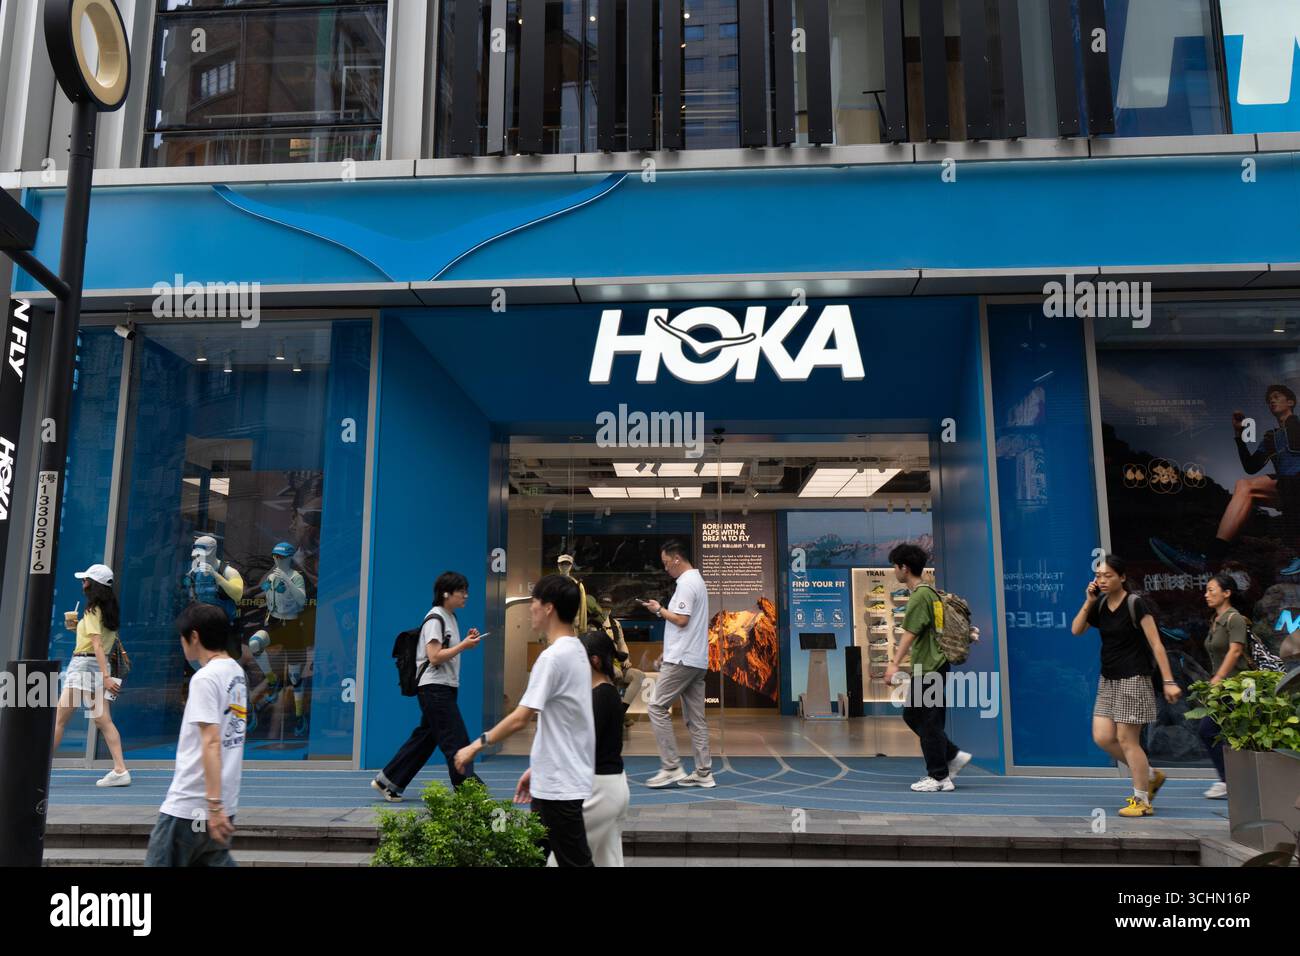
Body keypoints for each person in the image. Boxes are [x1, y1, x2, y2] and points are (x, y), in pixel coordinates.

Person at [454, 574, 595, 867]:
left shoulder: (553, 657)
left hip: (560, 787)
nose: (530, 608)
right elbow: (567, 722)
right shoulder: (576, 650)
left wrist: (474, 747)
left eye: (534, 601)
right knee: (528, 858)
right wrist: (538, 768)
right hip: (554, 780)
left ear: (548, 608)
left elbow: (520, 718)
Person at [1070, 554, 1183, 818]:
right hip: (1108, 679)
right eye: (1099, 576)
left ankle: (1142, 800)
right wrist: (1088, 602)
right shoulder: (1098, 606)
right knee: (1102, 737)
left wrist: (1168, 681)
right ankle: (1151, 775)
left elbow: (1156, 644)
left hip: (1134, 678)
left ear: (1122, 577)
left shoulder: (1136, 604)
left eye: (1108, 575)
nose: (1103, 580)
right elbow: (1076, 630)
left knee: (1126, 739)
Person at [1150, 384, 1300, 577]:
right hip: (1289, 491)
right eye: (1269, 399)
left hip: (1295, 486)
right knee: (1244, 486)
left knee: (1285, 482)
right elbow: (1251, 466)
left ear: (1291, 402)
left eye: (1277, 396)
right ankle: (1210, 561)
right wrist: (1238, 435)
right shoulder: (1271, 437)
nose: (1271, 401)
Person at [144, 603, 247, 867]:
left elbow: (211, 741)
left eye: (182, 637)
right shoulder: (236, 672)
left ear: (195, 637)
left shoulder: (205, 679)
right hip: (223, 803)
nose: (181, 644)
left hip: (191, 805)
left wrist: (212, 806)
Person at [372, 571, 484, 800]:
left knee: (426, 739)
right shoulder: (435, 618)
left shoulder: (450, 616)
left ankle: (388, 781)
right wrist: (463, 645)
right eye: (461, 591)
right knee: (456, 739)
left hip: (443, 688)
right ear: (446, 593)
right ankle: (470, 791)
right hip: (435, 689)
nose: (466, 595)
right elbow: (434, 656)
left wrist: (465, 641)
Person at [881, 544, 973, 793]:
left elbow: (910, 633)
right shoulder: (930, 592)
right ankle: (952, 755)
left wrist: (893, 664)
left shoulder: (920, 596)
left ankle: (939, 776)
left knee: (930, 722)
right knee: (912, 715)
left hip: (930, 667)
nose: (894, 571)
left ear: (904, 567)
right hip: (931, 666)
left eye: (895, 566)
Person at [544, 630, 629, 867]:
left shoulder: (600, 697)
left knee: (560, 860)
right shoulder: (604, 693)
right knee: (607, 860)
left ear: (593, 660)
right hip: (611, 786)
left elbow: (580, 747)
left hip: (599, 788)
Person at [641, 539, 714, 789]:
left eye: (665, 564)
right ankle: (704, 773)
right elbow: (688, 626)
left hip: (682, 659)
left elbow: (681, 620)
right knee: (696, 719)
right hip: (695, 659)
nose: (665, 569)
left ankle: (671, 766)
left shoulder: (686, 584)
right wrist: (667, 652)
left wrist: (659, 610)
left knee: (656, 706)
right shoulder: (698, 582)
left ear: (676, 559)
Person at [52, 564, 131, 787]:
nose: (82, 583)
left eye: (85, 580)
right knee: (103, 719)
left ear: (94, 585)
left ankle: (39, 769)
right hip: (98, 665)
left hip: (86, 664)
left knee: (60, 719)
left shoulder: (93, 609)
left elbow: (96, 643)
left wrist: (106, 676)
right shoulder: (109, 610)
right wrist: (77, 627)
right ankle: (120, 769)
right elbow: (101, 640)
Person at [1197, 574, 1252, 799]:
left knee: (1211, 729)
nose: (1206, 594)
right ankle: (1231, 780)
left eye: (1212, 590)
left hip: (1239, 687)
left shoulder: (1234, 618)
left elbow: (1236, 650)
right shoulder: (1215, 620)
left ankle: (1230, 780)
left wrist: (1218, 677)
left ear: (1227, 593)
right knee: (1221, 732)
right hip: (1224, 687)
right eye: (1206, 590)